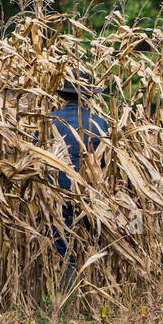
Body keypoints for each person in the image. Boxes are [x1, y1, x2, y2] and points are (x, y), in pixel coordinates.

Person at [39, 70, 110, 283]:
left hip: (57, 194)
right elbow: (103, 164)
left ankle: (66, 299)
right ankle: (91, 291)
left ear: (64, 95)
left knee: (63, 248)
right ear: (88, 96)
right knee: (92, 245)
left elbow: (37, 158)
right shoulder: (99, 123)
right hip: (90, 196)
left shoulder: (49, 122)